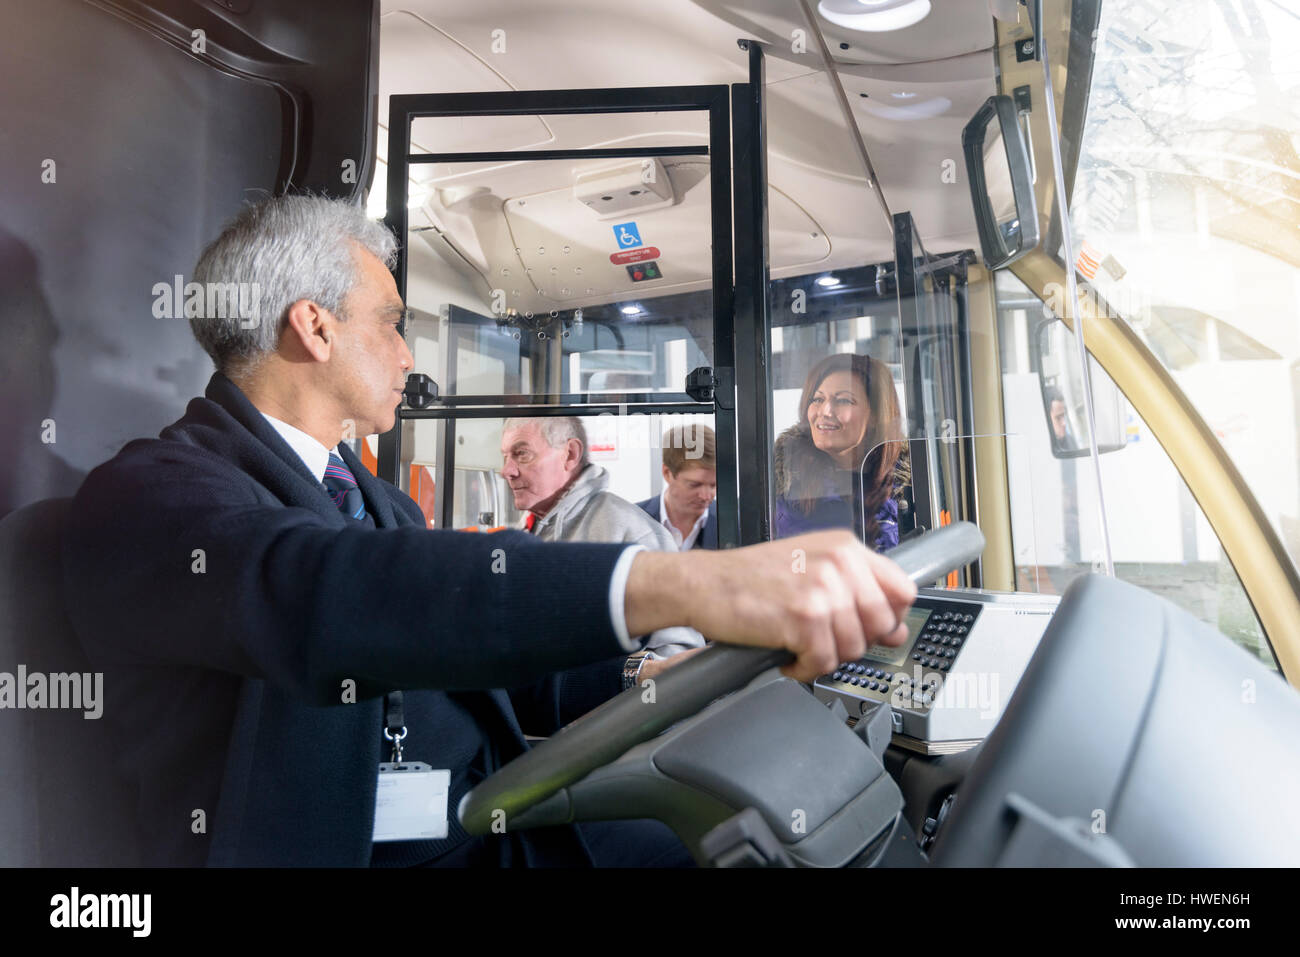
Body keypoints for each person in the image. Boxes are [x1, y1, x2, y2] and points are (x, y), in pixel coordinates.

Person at [59, 195, 918, 867]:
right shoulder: (153, 498)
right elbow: (330, 589)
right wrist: (693, 584)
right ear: (312, 325)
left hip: (495, 822)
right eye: (391, 321)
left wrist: (645, 671)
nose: (407, 355)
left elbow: (490, 670)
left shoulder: (374, 498)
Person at [500, 415, 703, 657]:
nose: (507, 471)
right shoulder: (531, 528)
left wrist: (611, 680)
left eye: (522, 454)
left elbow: (677, 660)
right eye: (505, 457)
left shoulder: (633, 533)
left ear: (570, 454)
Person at [774, 353, 909, 552]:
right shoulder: (784, 483)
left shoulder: (912, 489)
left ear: (875, 414)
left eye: (844, 400)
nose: (825, 411)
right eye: (817, 399)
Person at [636, 424, 718, 550]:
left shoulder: (737, 524)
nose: (706, 496)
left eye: (713, 485)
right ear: (667, 473)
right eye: (695, 485)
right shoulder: (633, 519)